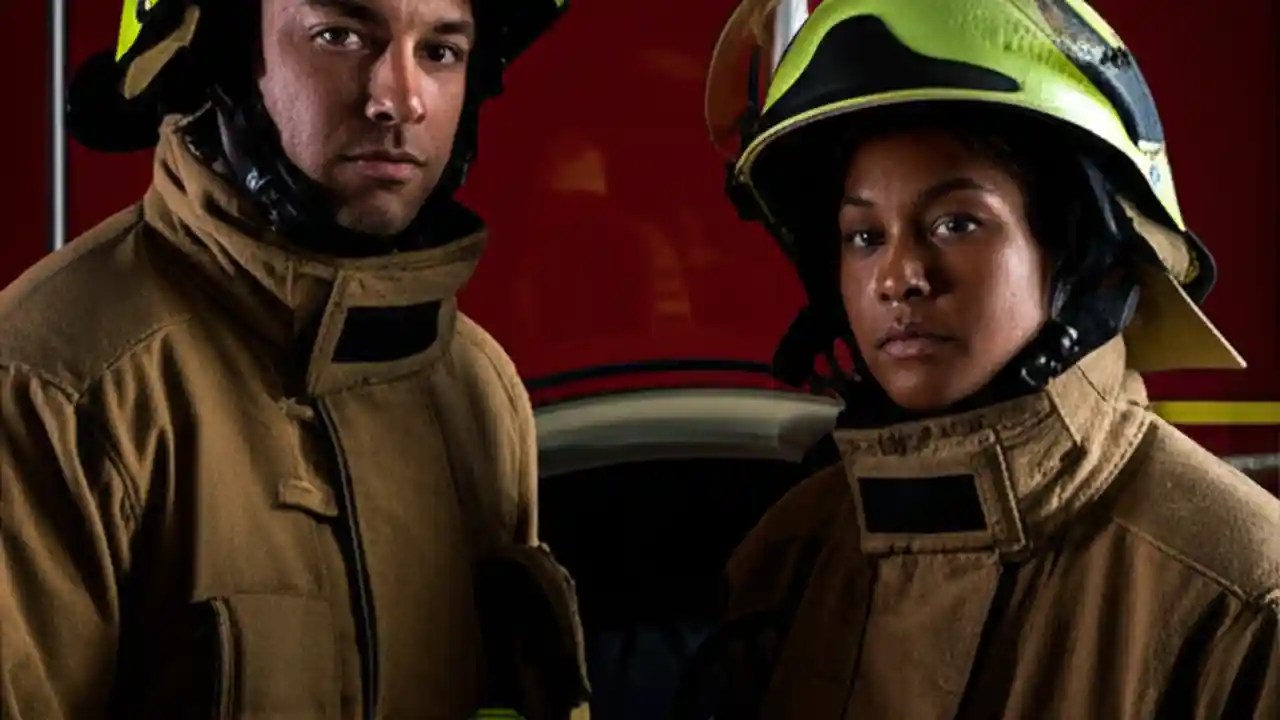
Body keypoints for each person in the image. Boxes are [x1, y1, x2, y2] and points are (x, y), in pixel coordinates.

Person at [671, 0, 1280, 717]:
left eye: (956, 223)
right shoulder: (789, 559)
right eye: (864, 236)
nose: (898, 276)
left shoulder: (1238, 595)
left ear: (1077, 254)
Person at [0, 0, 589, 718]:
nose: (398, 100)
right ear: (221, 61)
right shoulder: (62, 389)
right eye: (338, 36)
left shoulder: (475, 386)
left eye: (440, 52)